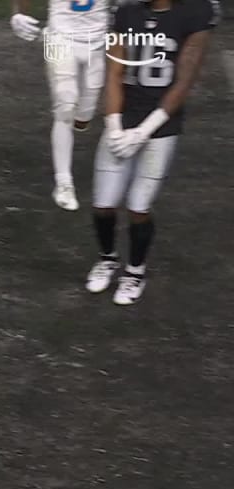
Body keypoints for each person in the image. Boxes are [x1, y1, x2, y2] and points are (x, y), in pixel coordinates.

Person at [85, 0, 219, 305]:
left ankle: (135, 272)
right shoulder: (126, 12)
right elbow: (114, 72)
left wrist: (145, 131)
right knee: (103, 204)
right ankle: (107, 258)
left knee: (138, 206)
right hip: (124, 117)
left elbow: (184, 83)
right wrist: (114, 125)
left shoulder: (195, 14)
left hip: (160, 127)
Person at [11, 0, 115, 211]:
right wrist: (18, 13)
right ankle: (64, 182)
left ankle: (76, 125)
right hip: (58, 37)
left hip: (96, 41)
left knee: (83, 117)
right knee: (66, 105)